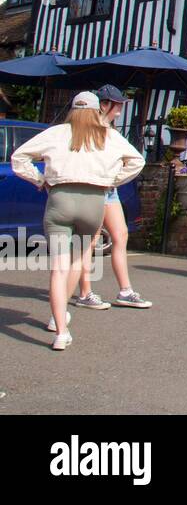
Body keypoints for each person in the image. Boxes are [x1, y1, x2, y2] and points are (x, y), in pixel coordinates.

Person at [10, 91, 145, 350]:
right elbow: (137, 161)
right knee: (77, 260)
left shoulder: (57, 133)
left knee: (59, 267)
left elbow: (19, 158)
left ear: (72, 109)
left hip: (60, 199)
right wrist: (111, 181)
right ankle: (57, 316)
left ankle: (60, 331)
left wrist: (39, 180)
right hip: (94, 201)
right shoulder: (108, 135)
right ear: (97, 111)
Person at [70, 86, 153, 312]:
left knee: (120, 234)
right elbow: (137, 161)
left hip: (108, 189)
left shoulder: (110, 131)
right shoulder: (92, 128)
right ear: (105, 104)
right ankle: (85, 292)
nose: (119, 112)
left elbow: (135, 161)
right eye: (117, 106)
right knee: (90, 240)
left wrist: (113, 180)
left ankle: (125, 291)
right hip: (95, 188)